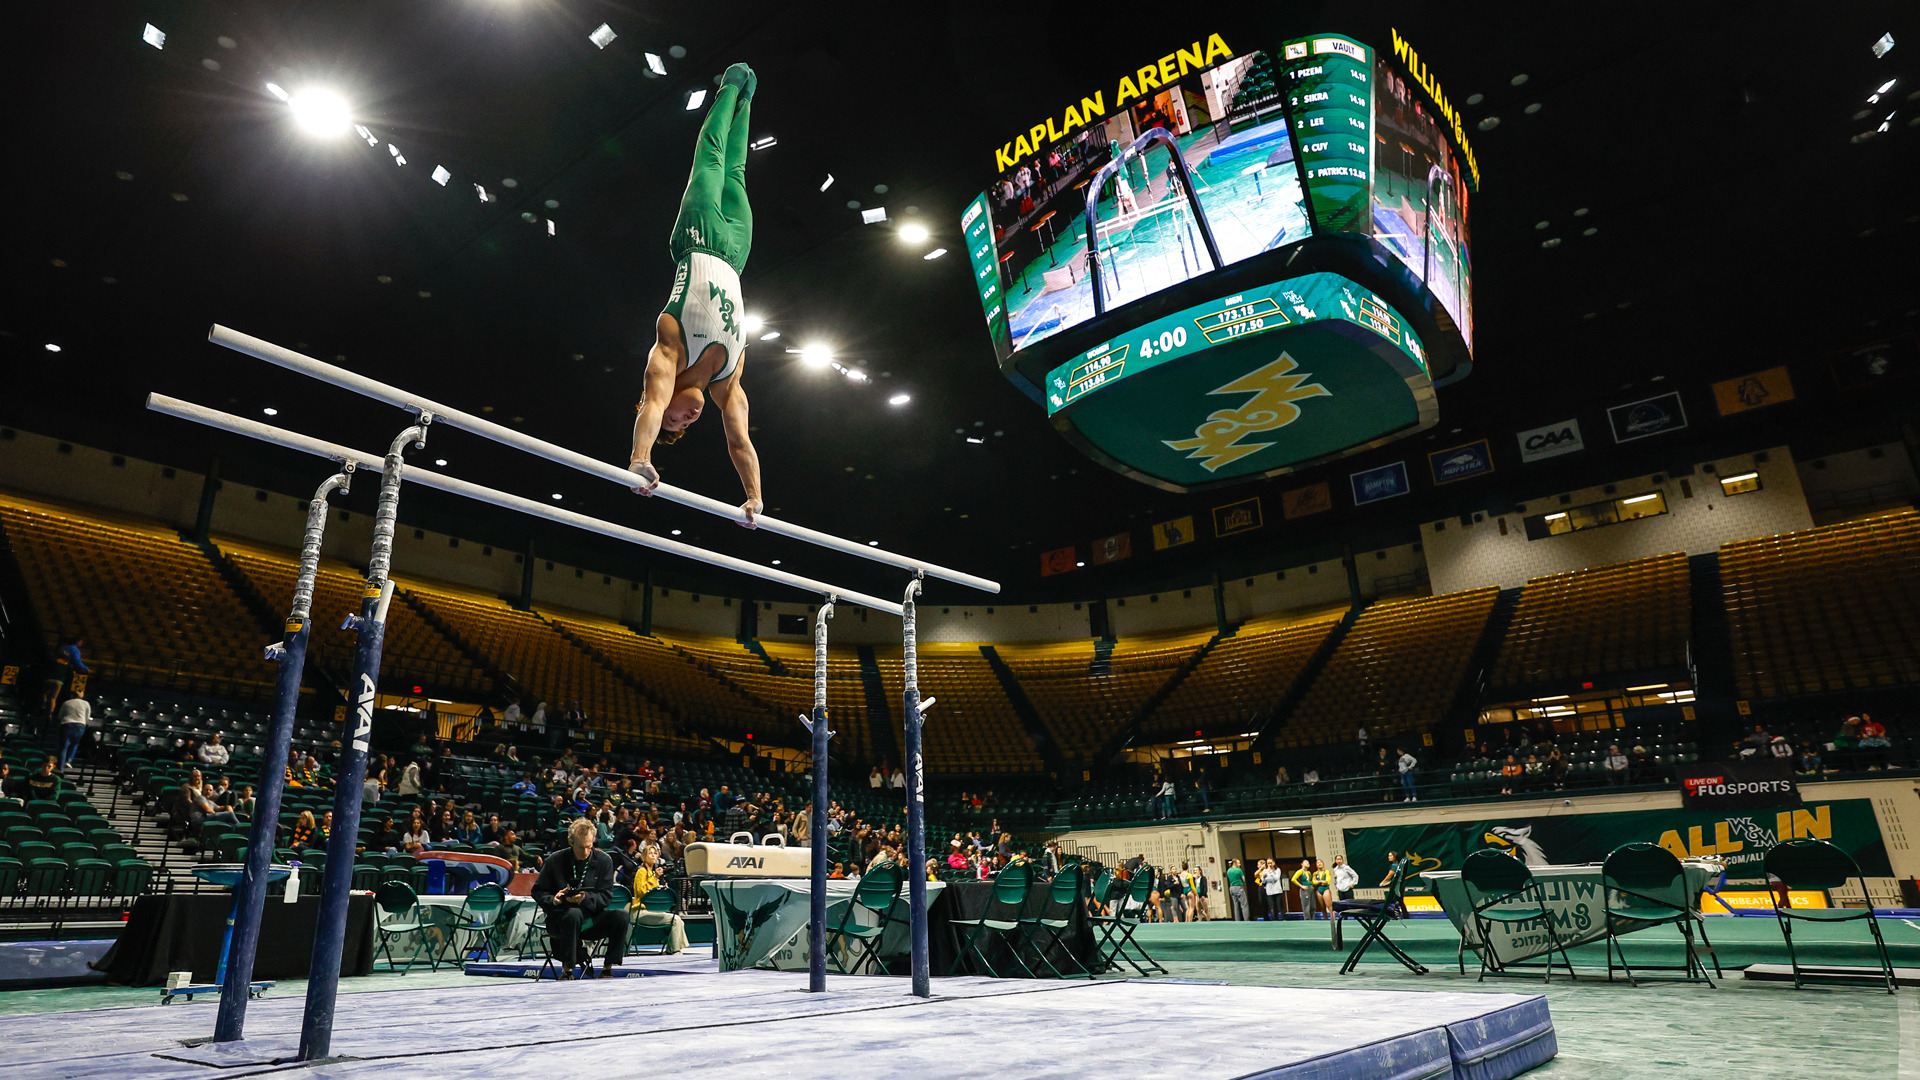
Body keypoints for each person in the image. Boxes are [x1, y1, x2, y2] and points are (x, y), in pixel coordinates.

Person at [628, 62, 763, 525]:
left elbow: (650, 404)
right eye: (686, 427)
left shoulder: (668, 357)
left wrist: (640, 460)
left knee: (711, 155)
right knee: (739, 172)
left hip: (698, 234)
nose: (686, 420)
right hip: (738, 254)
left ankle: (728, 87)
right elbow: (739, 441)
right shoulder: (728, 382)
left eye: (675, 420)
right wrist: (754, 497)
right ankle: (748, 100)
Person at [533, 818, 630, 979]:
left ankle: (608, 968)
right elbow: (538, 891)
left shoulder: (604, 860)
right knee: (573, 914)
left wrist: (584, 899)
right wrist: (554, 900)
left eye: (589, 847)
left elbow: (606, 896)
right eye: (581, 847)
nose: (585, 852)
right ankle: (568, 970)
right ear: (570, 842)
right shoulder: (555, 860)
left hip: (591, 919)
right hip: (562, 919)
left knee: (621, 916)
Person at [54, 688, 92, 771]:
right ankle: (69, 760)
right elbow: (87, 717)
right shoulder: (86, 703)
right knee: (75, 744)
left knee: (64, 747)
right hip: (80, 725)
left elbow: (60, 716)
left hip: (67, 724)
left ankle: (61, 767)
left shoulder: (66, 703)